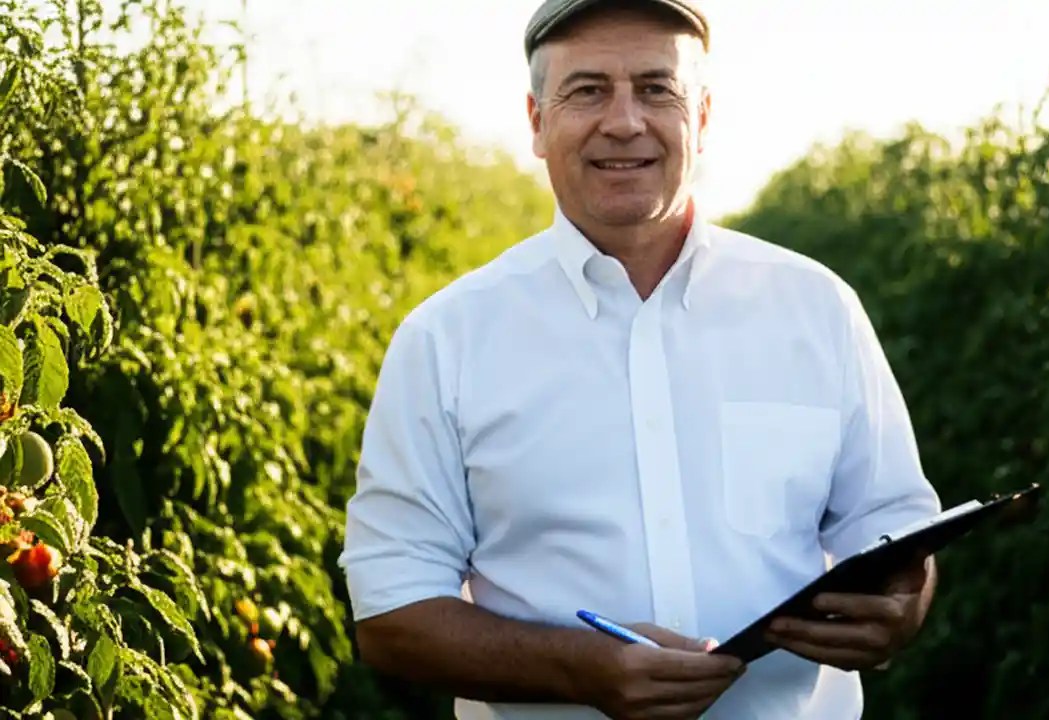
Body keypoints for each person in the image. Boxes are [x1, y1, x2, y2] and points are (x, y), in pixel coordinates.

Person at [337, 0, 943, 717]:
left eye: (657, 89)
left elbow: (895, 530)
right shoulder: (446, 339)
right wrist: (578, 673)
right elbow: (390, 613)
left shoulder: (817, 310)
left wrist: (906, 605)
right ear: (536, 121)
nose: (624, 121)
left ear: (705, 117)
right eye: (588, 90)